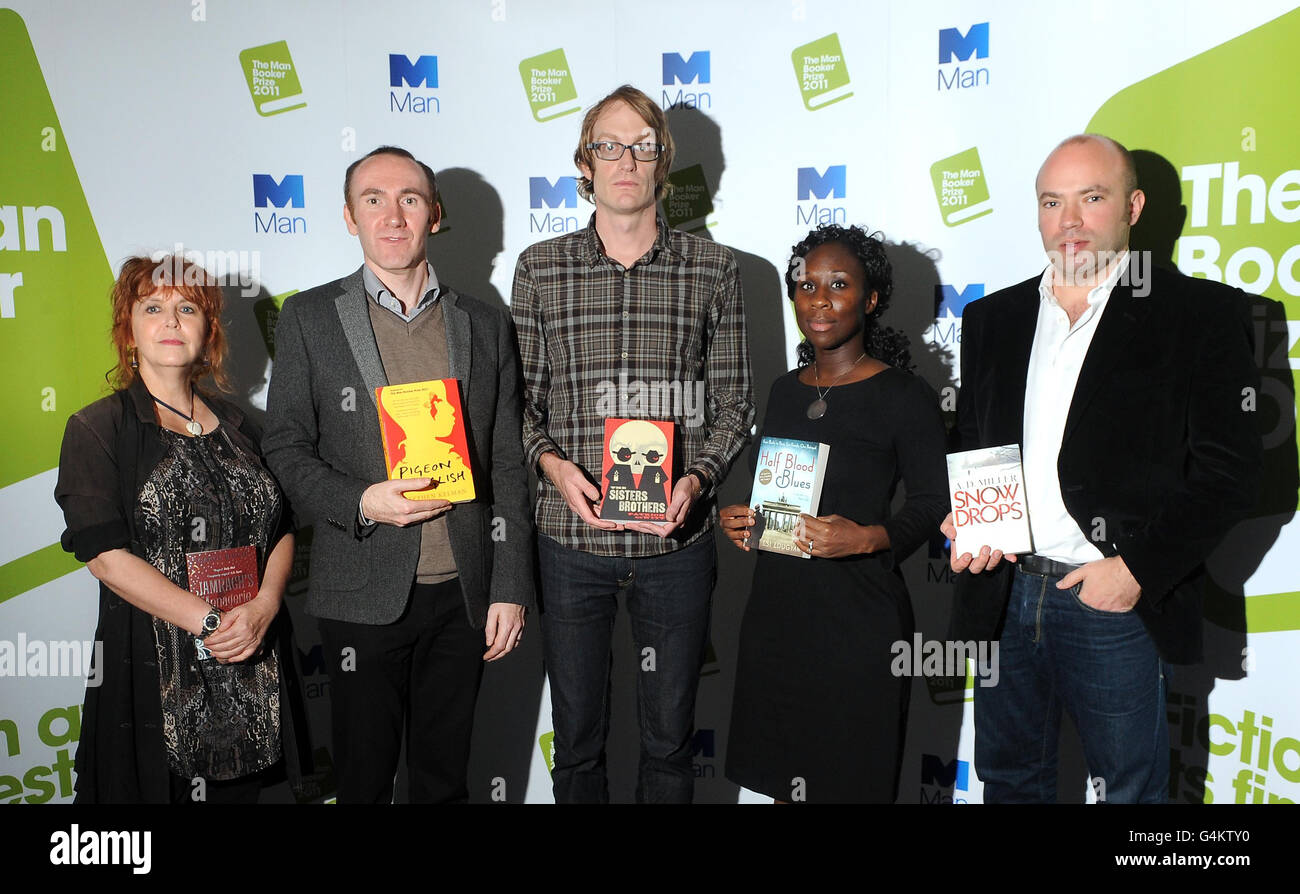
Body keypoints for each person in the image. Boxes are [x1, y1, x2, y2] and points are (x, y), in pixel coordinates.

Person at [944, 134, 1261, 803]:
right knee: (1009, 782)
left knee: (1130, 793)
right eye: (1053, 202)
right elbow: (974, 439)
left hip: (1112, 599)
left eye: (1092, 198)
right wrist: (967, 512)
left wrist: (1137, 570)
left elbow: (1232, 474)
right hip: (1004, 591)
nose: (1071, 221)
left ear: (1133, 206)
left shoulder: (1200, 315)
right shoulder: (991, 318)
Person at [262, 145, 534, 803]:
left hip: (463, 596)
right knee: (362, 780)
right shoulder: (308, 318)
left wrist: (509, 585)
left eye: (409, 199)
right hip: (362, 592)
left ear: (434, 214)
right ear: (350, 218)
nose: (392, 215)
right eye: (373, 200)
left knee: (443, 781)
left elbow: (505, 460)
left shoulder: (485, 321)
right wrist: (361, 501)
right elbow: (286, 448)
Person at [511, 85, 754, 803]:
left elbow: (735, 402)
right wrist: (553, 469)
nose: (625, 159)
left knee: (669, 742)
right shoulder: (539, 267)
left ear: (663, 164)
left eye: (642, 145)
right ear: (584, 163)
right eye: (608, 145)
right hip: (568, 542)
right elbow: (520, 404)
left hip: (674, 546)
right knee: (577, 741)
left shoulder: (715, 269)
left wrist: (698, 480)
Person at [54, 254, 310, 803]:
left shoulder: (244, 426)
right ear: (129, 331)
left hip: (253, 667)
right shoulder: (99, 428)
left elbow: (283, 527)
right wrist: (212, 623)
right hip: (160, 673)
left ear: (208, 332)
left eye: (187, 308)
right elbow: (104, 556)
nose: (171, 321)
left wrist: (263, 607)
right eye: (153, 307)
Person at [720, 224, 948, 803]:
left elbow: (932, 502)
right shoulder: (783, 391)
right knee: (785, 784)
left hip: (859, 625)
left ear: (870, 300)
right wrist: (745, 519)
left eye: (839, 285)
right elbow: (778, 495)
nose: (818, 299)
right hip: (777, 618)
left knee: (850, 783)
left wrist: (869, 537)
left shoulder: (904, 395)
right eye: (806, 285)